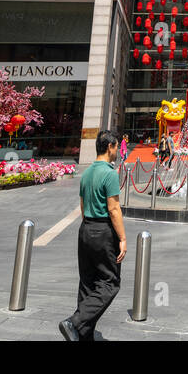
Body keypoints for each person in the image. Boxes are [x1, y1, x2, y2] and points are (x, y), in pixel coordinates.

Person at [60, 130, 126, 341]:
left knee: (88, 282)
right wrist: (123, 238)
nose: (117, 151)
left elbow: (82, 205)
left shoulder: (87, 173)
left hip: (86, 228)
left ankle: (83, 334)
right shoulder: (109, 174)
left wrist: (88, 227)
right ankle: (75, 322)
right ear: (110, 147)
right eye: (116, 146)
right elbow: (114, 208)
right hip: (103, 231)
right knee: (110, 282)